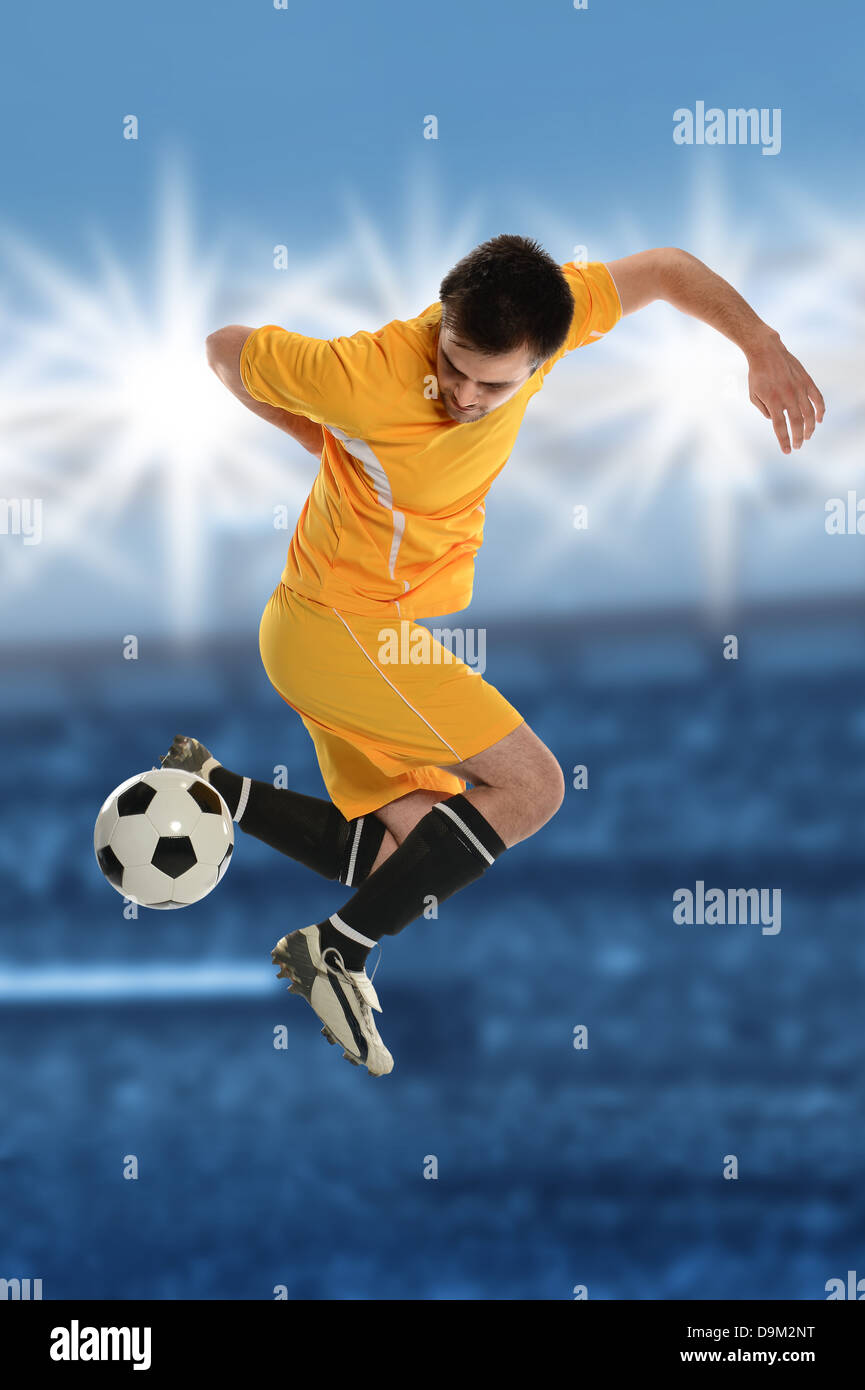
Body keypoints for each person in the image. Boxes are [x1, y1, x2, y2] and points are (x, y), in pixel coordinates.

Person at [162, 235, 825, 1076]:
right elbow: (222, 349)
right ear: (441, 322)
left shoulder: (557, 313)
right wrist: (316, 434)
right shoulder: (361, 375)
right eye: (453, 365)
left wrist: (760, 344)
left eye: (495, 383)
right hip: (340, 628)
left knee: (410, 852)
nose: (464, 395)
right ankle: (336, 952)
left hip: (348, 627)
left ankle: (215, 788)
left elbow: (666, 270)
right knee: (532, 786)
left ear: (540, 361)